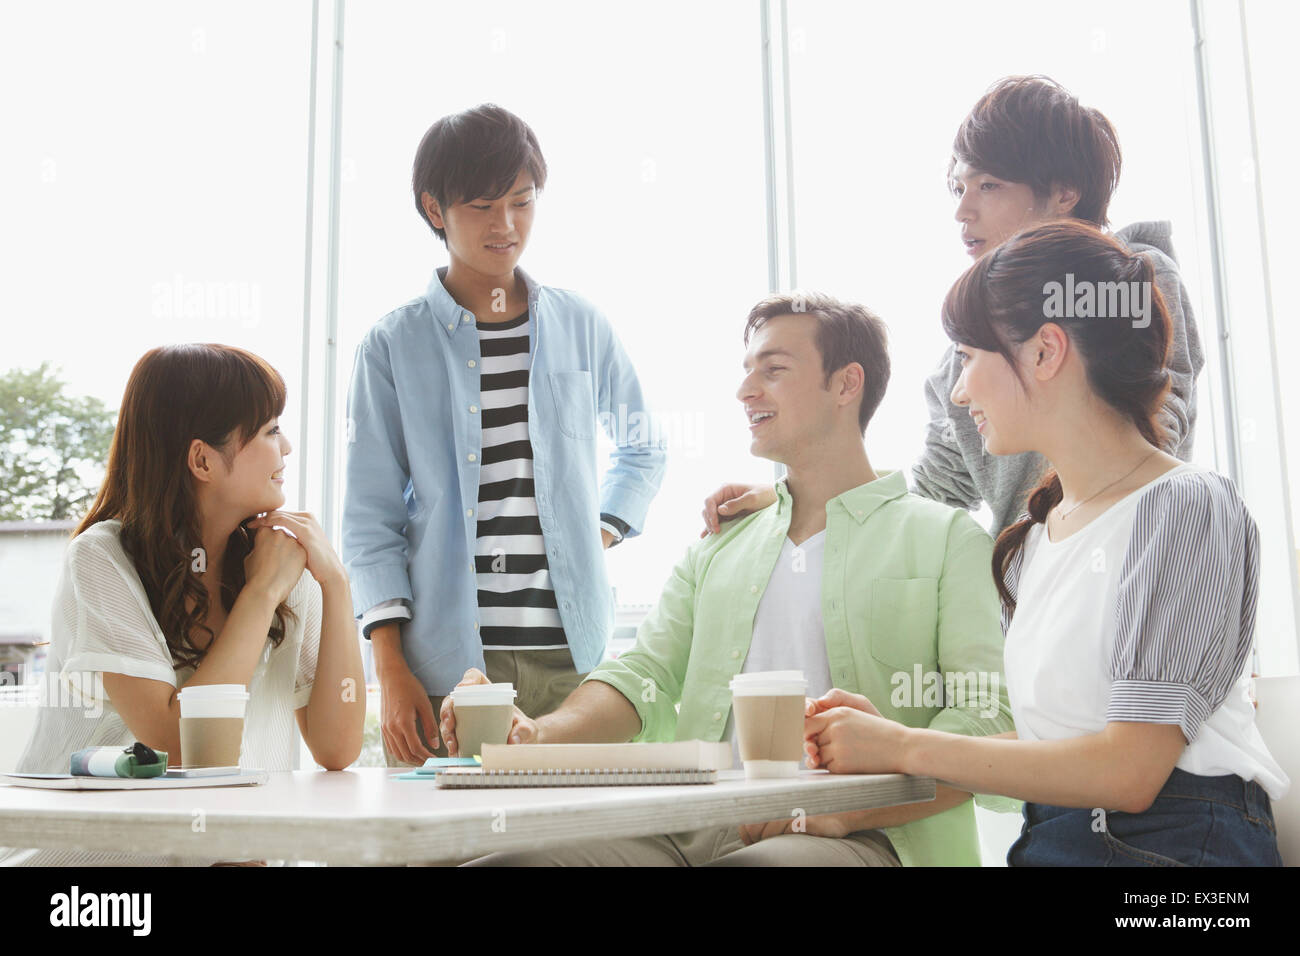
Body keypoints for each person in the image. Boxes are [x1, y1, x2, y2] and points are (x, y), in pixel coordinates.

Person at [443, 292, 1015, 866]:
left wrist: (855, 803)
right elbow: (645, 676)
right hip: (690, 826)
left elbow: (988, 718)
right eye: (746, 373)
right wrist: (534, 737)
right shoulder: (722, 543)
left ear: (846, 385)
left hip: (865, 837)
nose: (746, 391)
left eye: (773, 370)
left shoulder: (947, 541)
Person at [804, 221, 1287, 866]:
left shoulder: (1186, 508)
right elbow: (1049, 756)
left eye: (970, 357)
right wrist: (864, 805)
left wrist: (901, 745)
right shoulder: (1032, 541)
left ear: (1045, 351)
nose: (958, 389)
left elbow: (1128, 772)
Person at [701, 75, 1204, 537]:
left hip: (1135, 556)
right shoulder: (965, 360)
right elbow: (935, 486)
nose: (963, 210)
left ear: (1064, 193)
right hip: (1029, 588)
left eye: (988, 186)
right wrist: (793, 499)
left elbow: (1158, 423)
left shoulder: (1135, 275)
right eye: (959, 188)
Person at [342, 104, 666, 767]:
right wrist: (391, 670)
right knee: (452, 845)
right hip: (447, 663)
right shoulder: (391, 346)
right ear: (435, 210)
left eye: (522, 202)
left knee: (567, 842)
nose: (506, 225)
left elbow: (642, 446)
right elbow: (370, 520)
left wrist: (592, 530)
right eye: (483, 206)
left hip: (571, 657)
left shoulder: (580, 324)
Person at [1, 344, 364, 866]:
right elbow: (181, 744)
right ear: (202, 459)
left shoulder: (278, 562)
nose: (286, 447)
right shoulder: (102, 560)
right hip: (89, 869)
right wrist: (260, 597)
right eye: (268, 431)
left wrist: (335, 582)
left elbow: (337, 747)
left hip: (219, 854)